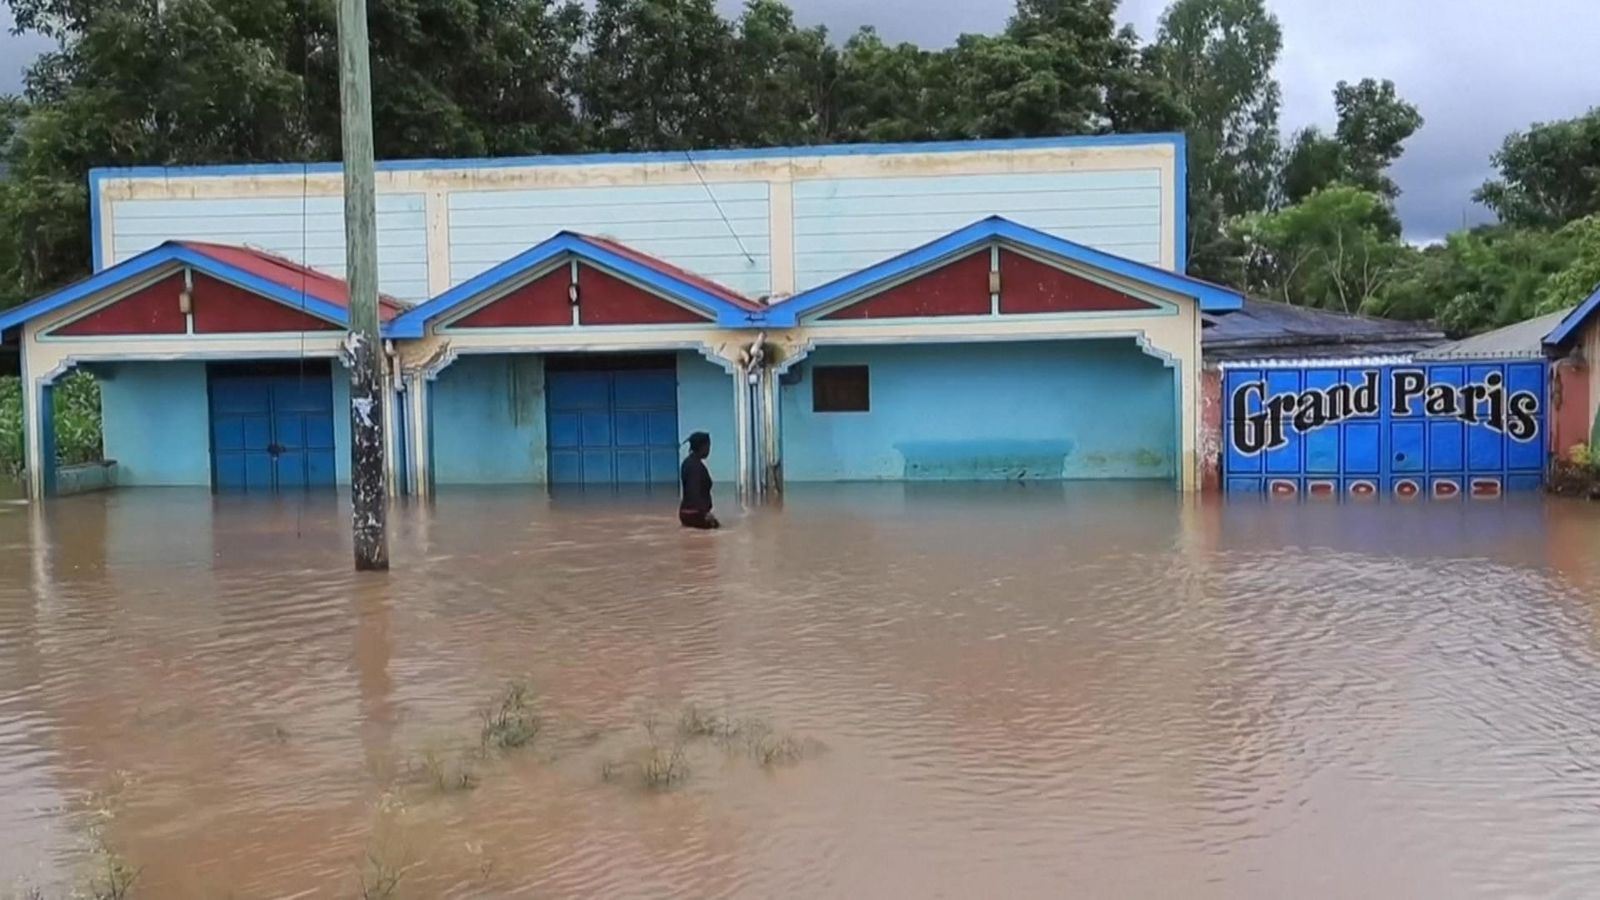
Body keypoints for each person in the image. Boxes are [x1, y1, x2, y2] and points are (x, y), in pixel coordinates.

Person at [679, 431, 719, 529]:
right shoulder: (696, 467)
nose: (709, 450)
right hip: (696, 515)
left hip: (685, 513)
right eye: (708, 446)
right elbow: (694, 491)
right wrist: (704, 514)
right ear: (701, 447)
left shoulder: (687, 463)